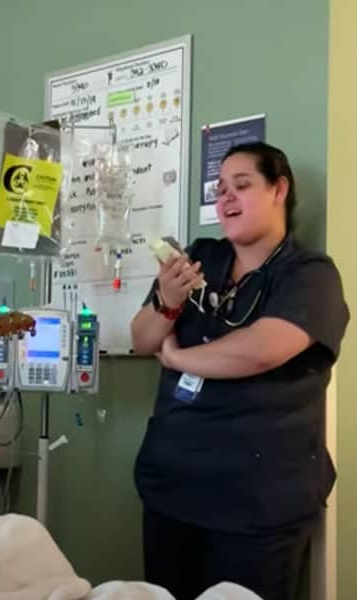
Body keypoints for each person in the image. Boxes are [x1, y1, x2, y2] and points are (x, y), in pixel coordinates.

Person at [130, 142, 349, 600]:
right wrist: (167, 303)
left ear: (279, 190)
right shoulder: (199, 258)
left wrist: (177, 359)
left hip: (255, 507)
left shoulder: (309, 274)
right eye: (220, 189)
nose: (225, 198)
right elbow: (141, 338)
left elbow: (261, 350)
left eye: (241, 185)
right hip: (172, 491)